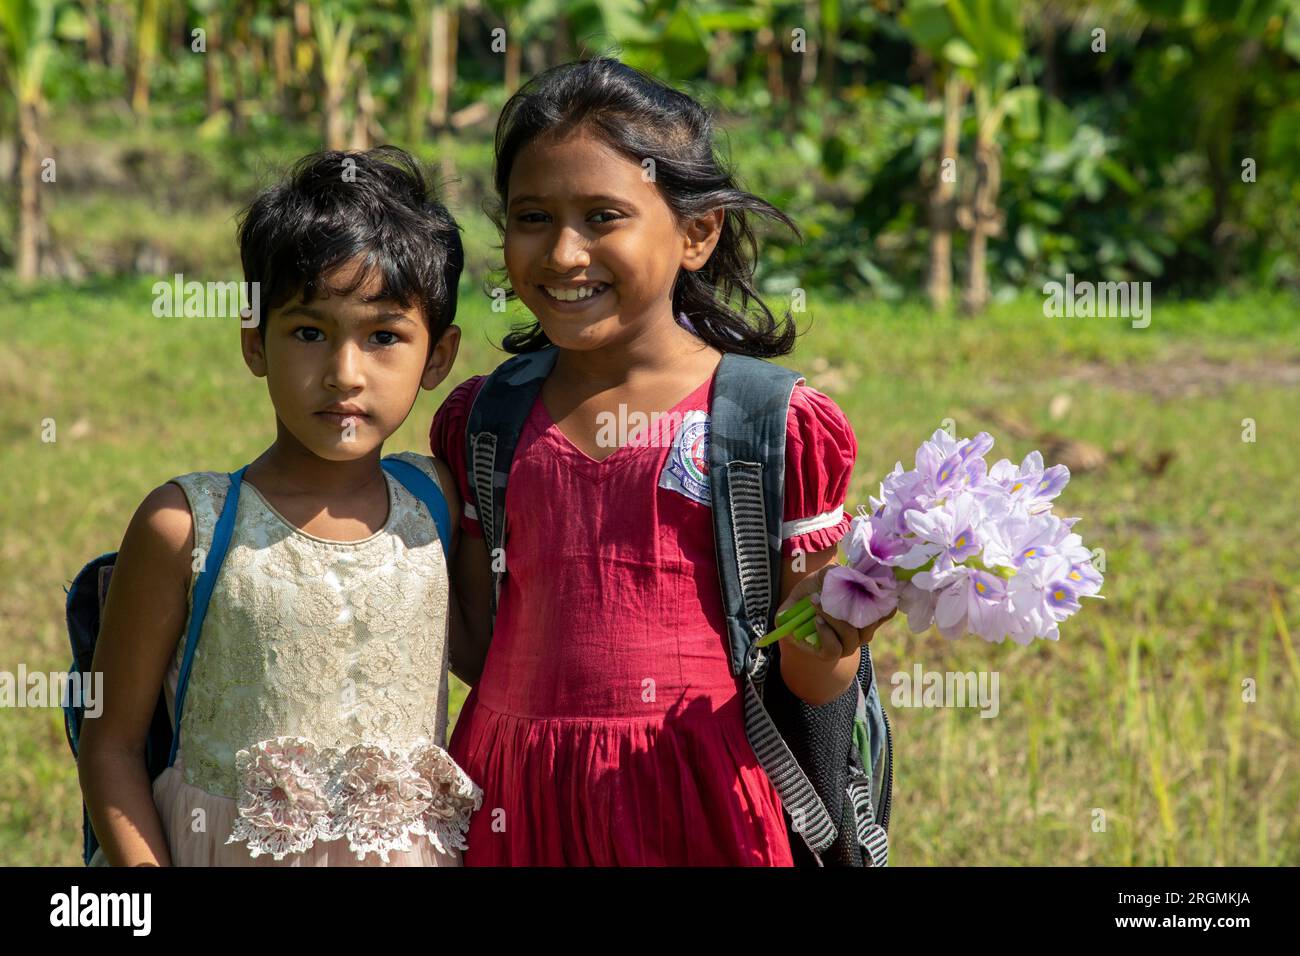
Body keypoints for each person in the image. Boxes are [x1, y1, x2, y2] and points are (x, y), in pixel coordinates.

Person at [431, 58, 892, 866]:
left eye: (603, 217)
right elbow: (477, 642)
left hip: (701, 797)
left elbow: (814, 682)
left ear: (697, 234)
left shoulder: (770, 426)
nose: (563, 253)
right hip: (514, 797)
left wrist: (832, 640)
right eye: (533, 217)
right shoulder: (485, 423)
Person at [78, 146, 481, 866]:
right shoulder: (189, 525)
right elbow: (109, 745)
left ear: (439, 357)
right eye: (308, 332)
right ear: (254, 343)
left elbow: (496, 667)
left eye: (384, 336)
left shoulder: (437, 504)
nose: (344, 373)